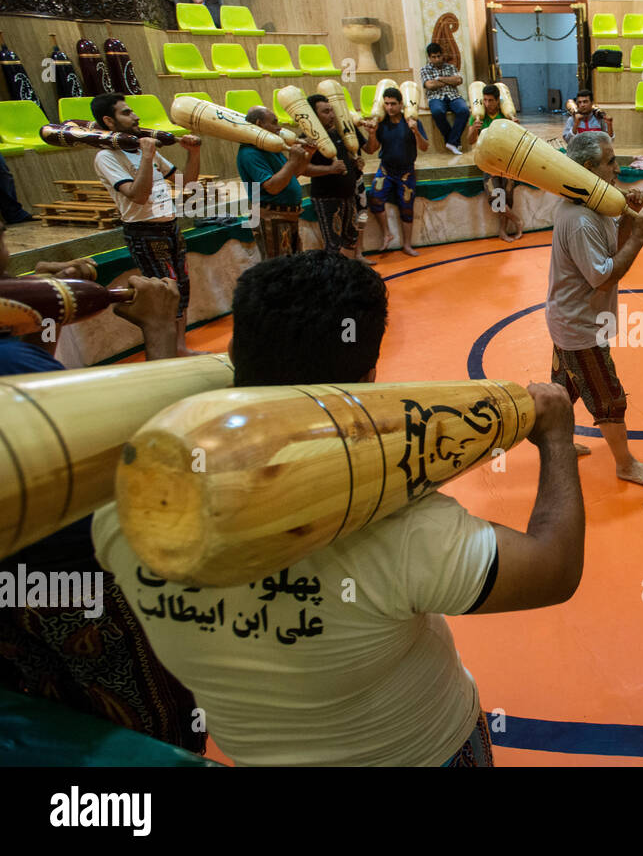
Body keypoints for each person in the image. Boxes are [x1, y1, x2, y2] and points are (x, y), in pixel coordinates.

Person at [91, 250, 586, 766]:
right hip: (428, 753)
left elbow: (186, 432)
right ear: (369, 374)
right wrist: (555, 436)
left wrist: (160, 337)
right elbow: (555, 568)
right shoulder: (397, 524)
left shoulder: (121, 509)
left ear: (234, 350)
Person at [0, 216, 203, 754]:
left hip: (14, 578)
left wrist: (43, 314)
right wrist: (161, 332)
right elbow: (151, 459)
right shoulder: (13, 365)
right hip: (73, 574)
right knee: (145, 723)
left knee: (48, 711)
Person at [546, 131, 643, 486]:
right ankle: (625, 464)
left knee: (563, 387)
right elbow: (603, 276)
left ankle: (558, 444)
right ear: (587, 168)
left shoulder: (592, 206)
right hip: (578, 326)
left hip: (575, 319)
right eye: (610, 161)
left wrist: (630, 219)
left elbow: (613, 248)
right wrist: (641, 237)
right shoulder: (580, 219)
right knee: (607, 395)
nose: (618, 167)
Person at [91, 92, 202, 355]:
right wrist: (147, 156)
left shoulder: (142, 149)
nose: (136, 116)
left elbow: (187, 184)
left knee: (181, 289)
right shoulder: (105, 157)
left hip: (170, 226)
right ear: (109, 121)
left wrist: (194, 153)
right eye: (126, 113)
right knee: (165, 292)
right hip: (145, 231)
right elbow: (138, 196)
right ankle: (168, 352)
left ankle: (180, 348)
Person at [236, 105, 314, 259]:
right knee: (279, 270)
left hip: (287, 216)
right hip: (271, 218)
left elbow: (291, 176)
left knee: (294, 265)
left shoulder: (271, 147)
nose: (279, 128)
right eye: (274, 123)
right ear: (259, 124)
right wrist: (292, 161)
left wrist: (308, 155)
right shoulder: (249, 152)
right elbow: (272, 187)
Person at [304, 94, 372, 265]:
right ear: (314, 115)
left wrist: (355, 162)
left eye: (332, 111)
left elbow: (369, 149)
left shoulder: (342, 130)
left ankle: (351, 269)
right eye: (326, 112)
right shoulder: (307, 138)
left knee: (351, 237)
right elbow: (302, 169)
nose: (332, 115)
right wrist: (330, 169)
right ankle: (335, 282)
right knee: (333, 245)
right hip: (327, 198)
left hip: (350, 194)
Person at [363, 86, 429, 258]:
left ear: (401, 104)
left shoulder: (412, 121)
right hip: (386, 169)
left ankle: (407, 245)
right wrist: (371, 134)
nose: (389, 108)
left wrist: (415, 131)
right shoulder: (381, 123)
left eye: (393, 104)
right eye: (386, 104)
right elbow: (371, 150)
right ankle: (387, 233)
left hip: (406, 172)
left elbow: (424, 147)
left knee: (406, 208)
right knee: (375, 199)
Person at [465, 84, 523, 243]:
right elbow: (470, 141)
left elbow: (515, 141)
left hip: (506, 163)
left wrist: (516, 127)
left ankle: (502, 231)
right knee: (495, 199)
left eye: (491, 100)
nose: (487, 104)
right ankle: (517, 220)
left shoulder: (505, 116)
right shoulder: (478, 116)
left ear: (498, 101)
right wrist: (473, 130)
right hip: (488, 163)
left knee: (507, 197)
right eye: (485, 100)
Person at [420, 42, 470, 156]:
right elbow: (430, 85)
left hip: (453, 96)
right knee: (437, 112)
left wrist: (439, 78)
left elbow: (458, 81)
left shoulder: (451, 67)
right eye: (434, 57)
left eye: (439, 56)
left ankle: (451, 142)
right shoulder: (425, 69)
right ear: (429, 57)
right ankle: (453, 141)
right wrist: (448, 81)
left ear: (442, 55)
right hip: (436, 97)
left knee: (464, 111)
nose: (437, 59)